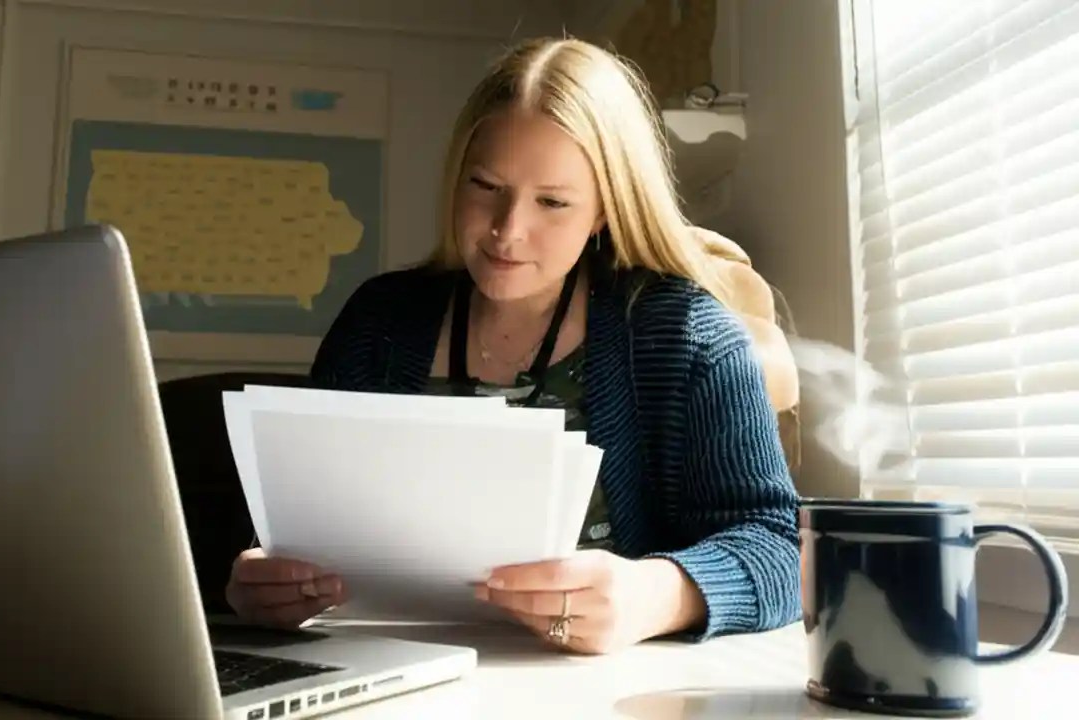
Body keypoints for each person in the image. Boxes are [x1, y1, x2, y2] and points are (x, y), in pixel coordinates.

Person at [225, 36, 802, 655]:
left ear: (605, 209)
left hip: (601, 691)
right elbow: (282, 534)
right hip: (386, 674)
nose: (507, 231)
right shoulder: (376, 321)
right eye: (485, 186)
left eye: (552, 202)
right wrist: (263, 581)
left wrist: (657, 594)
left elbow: (781, 548)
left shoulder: (690, 337)